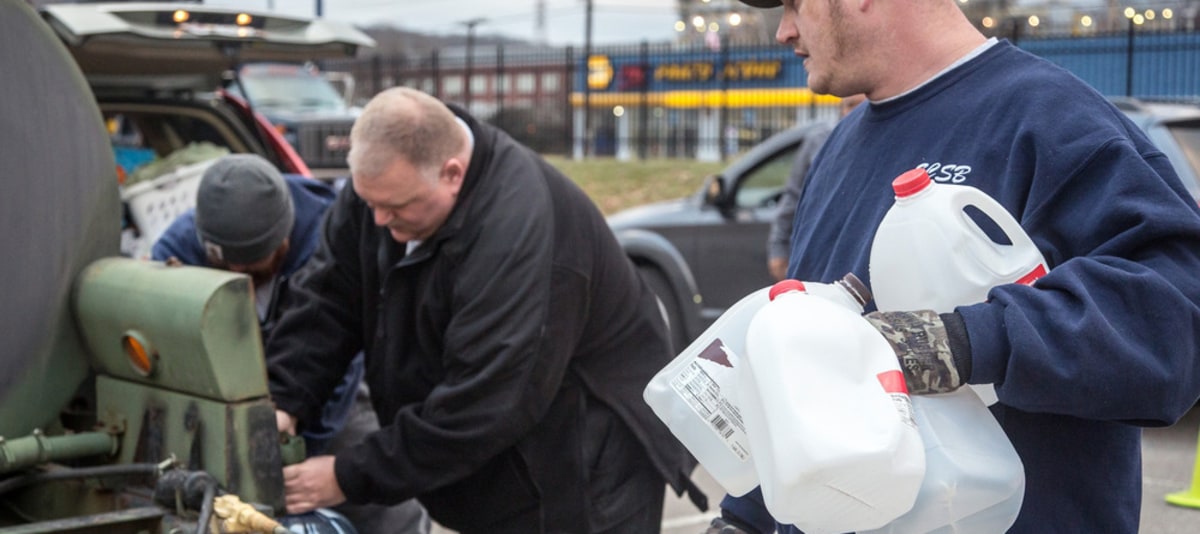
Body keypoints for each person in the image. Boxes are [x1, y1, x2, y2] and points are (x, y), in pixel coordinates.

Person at [705, 0, 1200, 532]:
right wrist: (748, 516)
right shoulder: (838, 149)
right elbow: (805, 380)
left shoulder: (1051, 123)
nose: (783, 30)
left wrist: (964, 341)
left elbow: (1175, 327)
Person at [262, 87, 703, 533]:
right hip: (497, 468)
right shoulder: (386, 188)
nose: (377, 221)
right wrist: (286, 399)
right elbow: (329, 299)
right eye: (367, 202)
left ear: (452, 173)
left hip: (582, 467)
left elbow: (486, 401)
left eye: (394, 208)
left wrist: (347, 476)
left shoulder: (517, 230)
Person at [150, 154, 429, 534]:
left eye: (252, 265)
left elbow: (339, 348)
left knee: (374, 491)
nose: (238, 273)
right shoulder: (178, 249)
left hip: (327, 377)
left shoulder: (326, 235)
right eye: (226, 263)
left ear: (285, 236)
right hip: (223, 387)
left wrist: (306, 455)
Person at [766, 94, 865, 281]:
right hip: (822, 255)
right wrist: (778, 248)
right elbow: (794, 196)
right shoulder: (819, 140)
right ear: (841, 110)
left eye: (862, 105)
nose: (856, 112)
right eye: (850, 105)